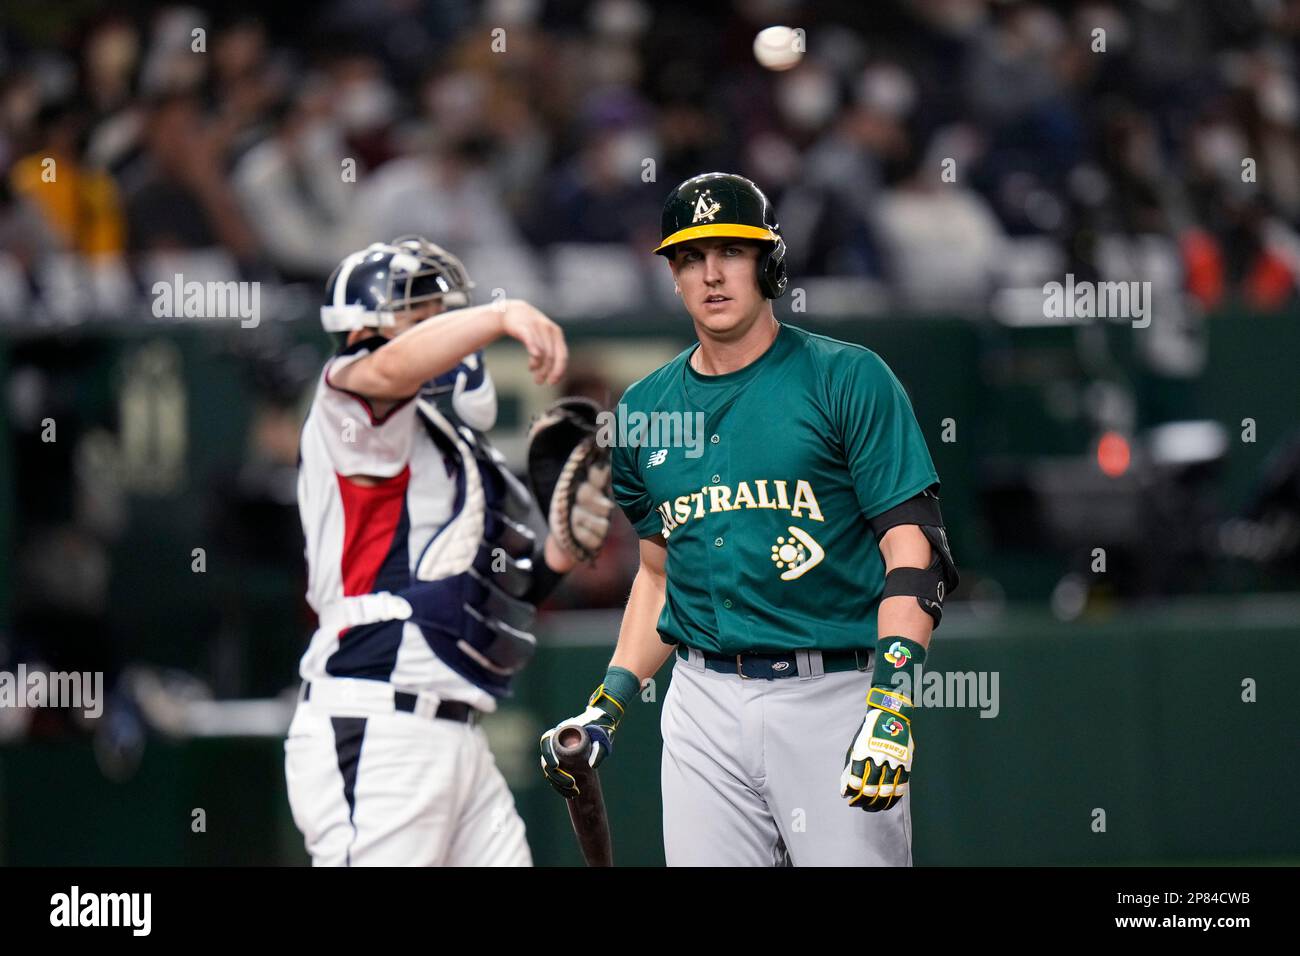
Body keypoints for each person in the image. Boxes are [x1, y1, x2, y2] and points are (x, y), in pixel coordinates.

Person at [539, 173, 959, 866]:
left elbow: (915, 554)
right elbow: (657, 575)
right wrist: (609, 700)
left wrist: (893, 699)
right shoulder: (643, 410)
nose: (710, 273)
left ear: (768, 262)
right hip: (702, 699)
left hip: (834, 691)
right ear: (671, 274)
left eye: (730, 251)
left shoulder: (847, 377)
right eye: (689, 257)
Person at [286, 236, 612, 865]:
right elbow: (382, 372)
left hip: (456, 734)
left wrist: (558, 559)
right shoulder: (349, 399)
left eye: (446, 311)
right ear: (367, 327)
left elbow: (485, 603)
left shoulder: (452, 443)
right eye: (424, 315)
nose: (445, 328)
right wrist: (499, 314)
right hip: (376, 720)